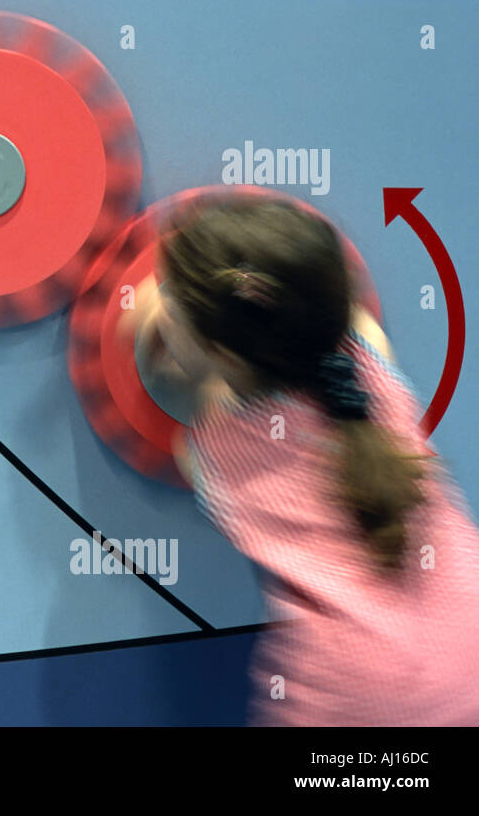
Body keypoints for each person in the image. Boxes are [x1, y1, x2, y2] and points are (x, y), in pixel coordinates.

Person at [129, 194, 479, 725]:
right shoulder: (373, 373)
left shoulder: (219, 458)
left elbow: (157, 354)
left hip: (353, 703)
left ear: (219, 353)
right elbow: (337, 313)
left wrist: (153, 333)